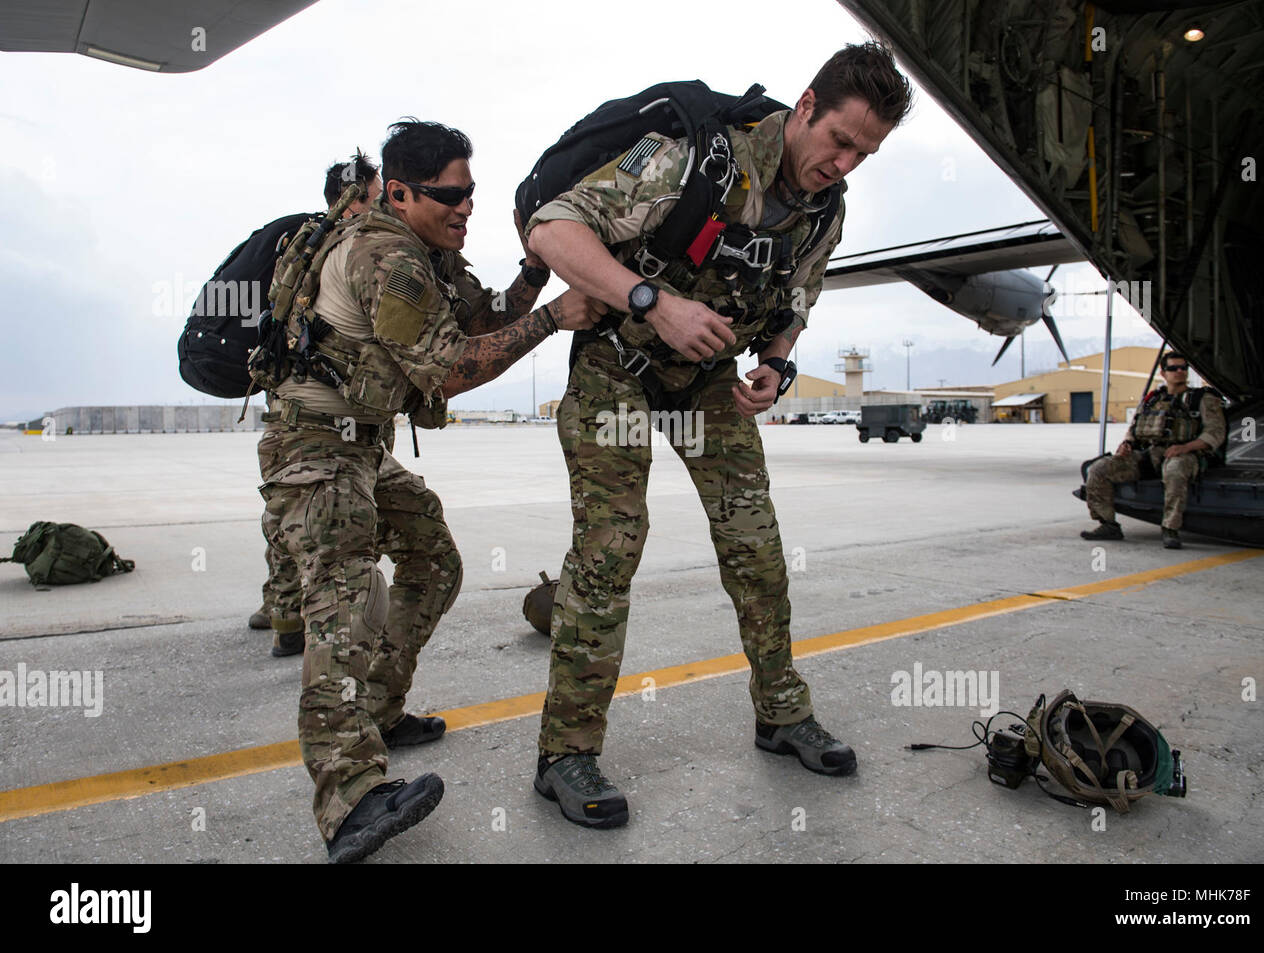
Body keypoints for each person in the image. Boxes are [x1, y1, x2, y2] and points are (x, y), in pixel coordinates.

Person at [524, 43, 914, 828]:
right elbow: (552, 228)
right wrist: (649, 300)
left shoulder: (823, 210)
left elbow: (799, 296)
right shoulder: (696, 159)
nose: (844, 163)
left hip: (707, 382)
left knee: (758, 548)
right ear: (805, 107)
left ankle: (781, 713)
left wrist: (775, 363)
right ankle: (565, 751)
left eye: (864, 155)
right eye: (839, 140)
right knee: (610, 548)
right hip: (619, 364)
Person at [255, 119, 599, 862]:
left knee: (433, 561)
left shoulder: (432, 254)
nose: (464, 206)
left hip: (360, 445)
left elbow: (485, 318)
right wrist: (554, 318)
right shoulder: (390, 257)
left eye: (470, 192)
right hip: (314, 447)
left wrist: (536, 271)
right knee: (343, 606)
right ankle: (349, 799)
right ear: (401, 192)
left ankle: (379, 708)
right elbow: (449, 370)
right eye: (450, 195)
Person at [249, 150, 383, 652]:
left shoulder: (300, 245)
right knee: (330, 522)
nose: (381, 207)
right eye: (374, 197)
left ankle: (282, 609)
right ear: (350, 200)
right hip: (323, 412)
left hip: (287, 405)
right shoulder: (343, 247)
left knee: (286, 513)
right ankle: (306, 623)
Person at [1081, 352, 1227, 549]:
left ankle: (1170, 529)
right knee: (1099, 468)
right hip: (1150, 456)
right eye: (1173, 368)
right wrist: (1127, 445)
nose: (1180, 372)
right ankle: (1108, 524)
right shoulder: (1152, 399)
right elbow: (1134, 429)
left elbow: (1215, 433)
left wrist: (1185, 447)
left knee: (1175, 470)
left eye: (1183, 368)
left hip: (1186, 455)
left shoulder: (1203, 399)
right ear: (1163, 373)